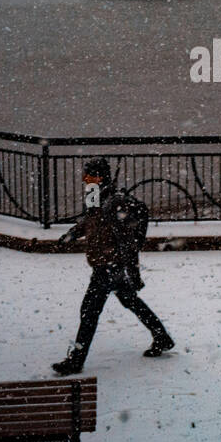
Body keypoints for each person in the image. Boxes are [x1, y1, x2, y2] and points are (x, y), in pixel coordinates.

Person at [52, 158, 173, 375]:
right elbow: (90, 221)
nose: (84, 179)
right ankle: (161, 336)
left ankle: (76, 360)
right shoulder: (93, 195)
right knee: (129, 300)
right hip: (105, 264)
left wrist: (132, 271)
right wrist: (73, 233)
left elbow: (128, 242)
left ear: (100, 177)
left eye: (89, 176)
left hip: (109, 266)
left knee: (89, 311)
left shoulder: (116, 203)